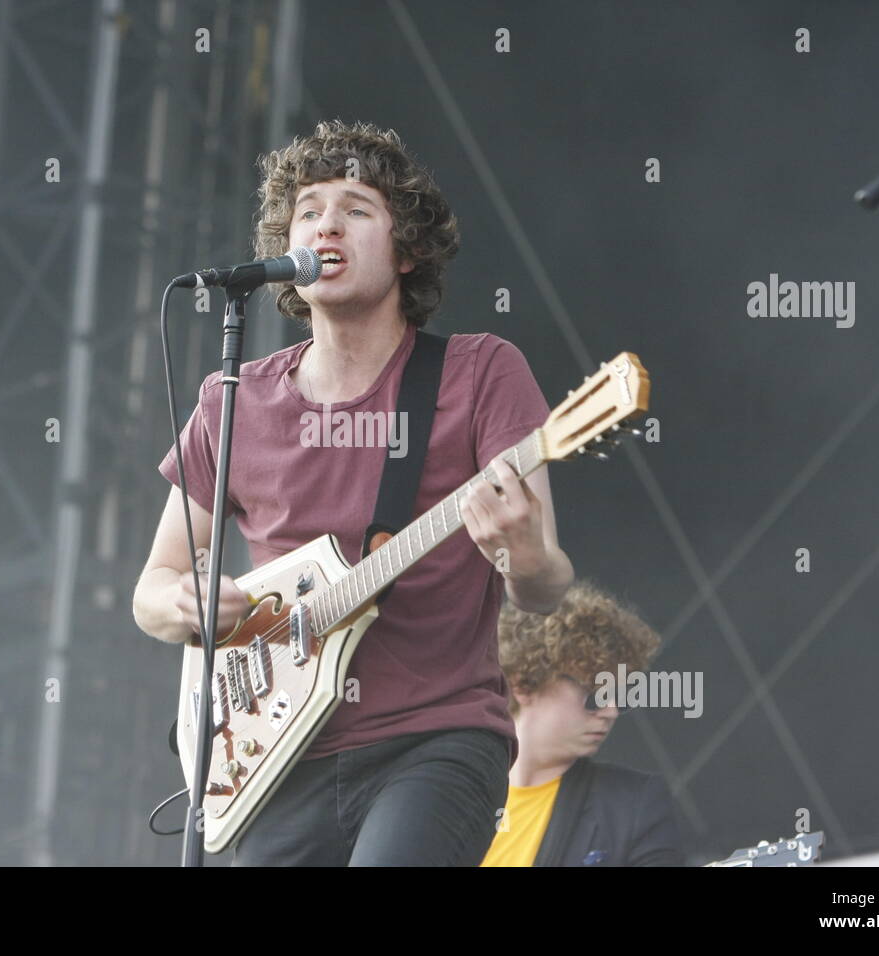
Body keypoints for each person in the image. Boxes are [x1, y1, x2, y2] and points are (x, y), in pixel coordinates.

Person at [132, 119, 574, 866]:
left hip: (434, 741)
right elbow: (152, 585)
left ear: (407, 252)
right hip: (273, 758)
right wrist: (183, 602)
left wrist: (522, 549)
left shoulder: (479, 373)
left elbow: (544, 587)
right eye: (308, 209)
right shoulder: (233, 399)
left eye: (357, 208)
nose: (326, 222)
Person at [481, 581, 685, 866]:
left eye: (616, 694)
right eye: (594, 693)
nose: (610, 711)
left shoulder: (634, 805)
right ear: (525, 684)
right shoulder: (452, 791)